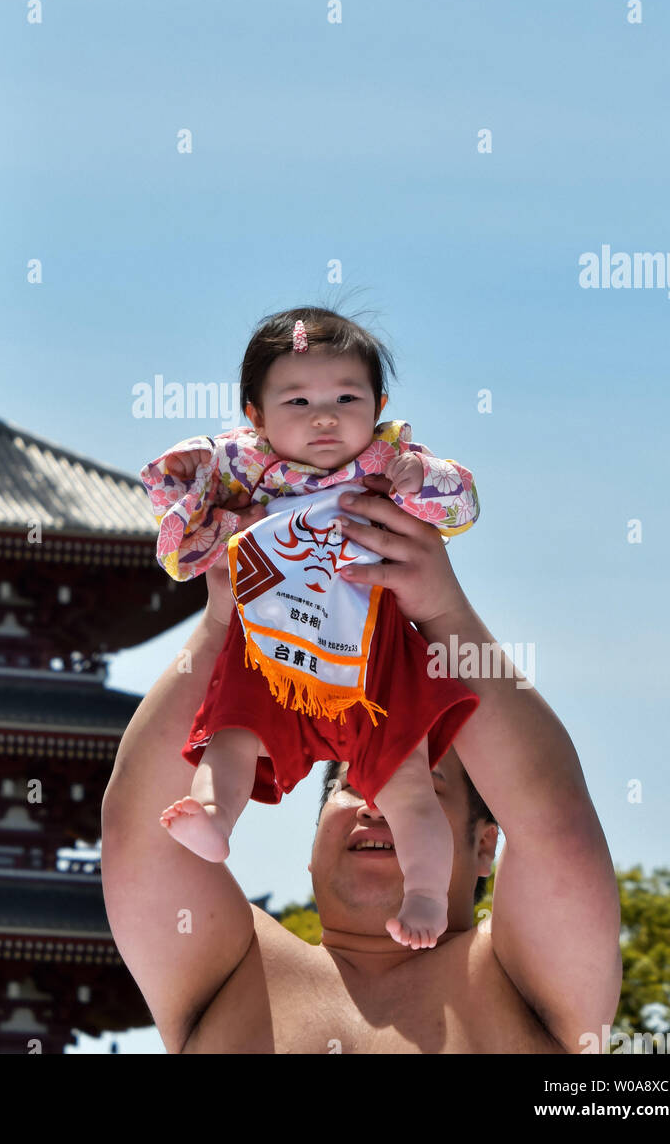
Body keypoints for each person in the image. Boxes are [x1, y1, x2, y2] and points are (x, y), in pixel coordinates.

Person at [102, 447, 622, 1054]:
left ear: (486, 844)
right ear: (311, 847)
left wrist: (443, 613)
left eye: (425, 782)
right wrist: (227, 621)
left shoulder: (525, 983)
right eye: (349, 786)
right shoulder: (228, 969)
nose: (374, 802)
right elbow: (141, 829)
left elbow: (554, 824)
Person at [139, 308, 481, 948]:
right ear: (256, 415)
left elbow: (462, 502)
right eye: (297, 399)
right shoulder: (241, 464)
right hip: (271, 639)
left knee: (408, 783)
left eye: (346, 398)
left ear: (378, 405)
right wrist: (187, 472)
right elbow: (175, 490)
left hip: (373, 649)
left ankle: (429, 891)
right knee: (231, 733)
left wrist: (420, 480)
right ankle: (216, 813)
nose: (324, 417)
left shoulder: (389, 460)